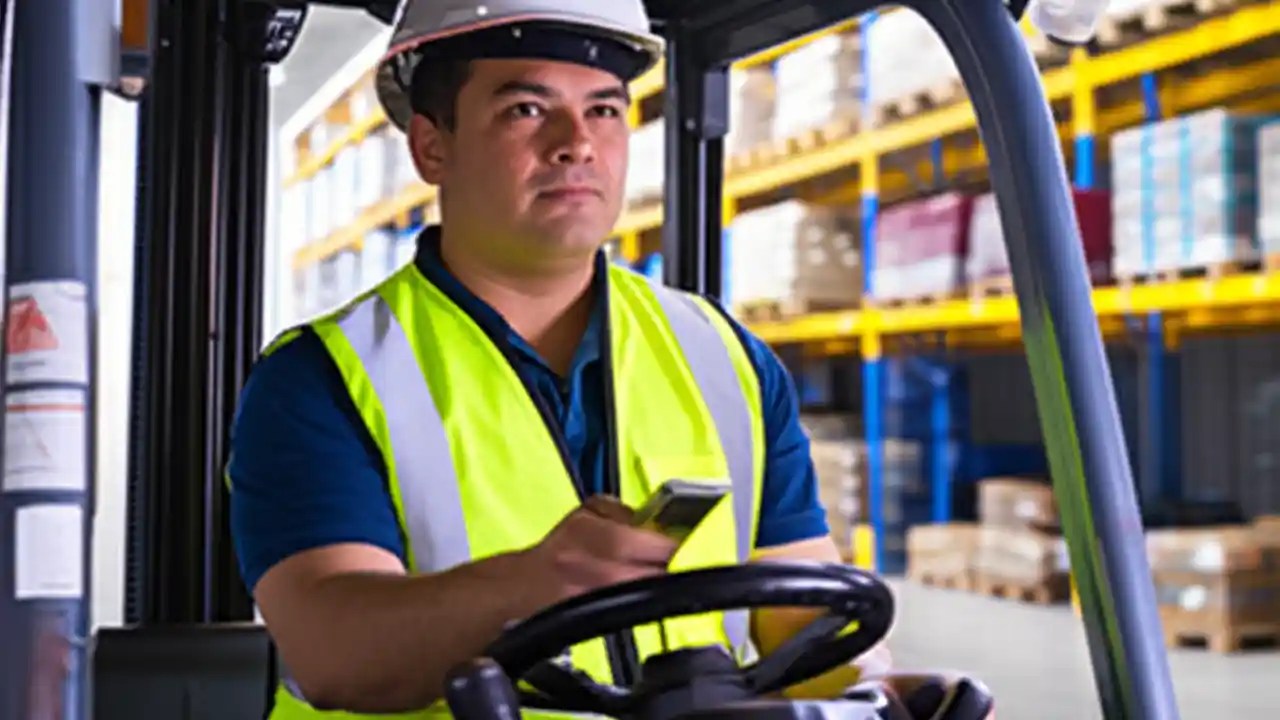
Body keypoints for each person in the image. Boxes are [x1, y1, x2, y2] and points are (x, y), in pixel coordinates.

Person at [226, 1, 889, 717]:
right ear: (431, 147)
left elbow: (798, 604)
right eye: (527, 110)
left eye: (604, 110)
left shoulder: (723, 356)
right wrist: (527, 583)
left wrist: (879, 688)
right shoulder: (325, 378)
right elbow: (335, 653)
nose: (578, 143)